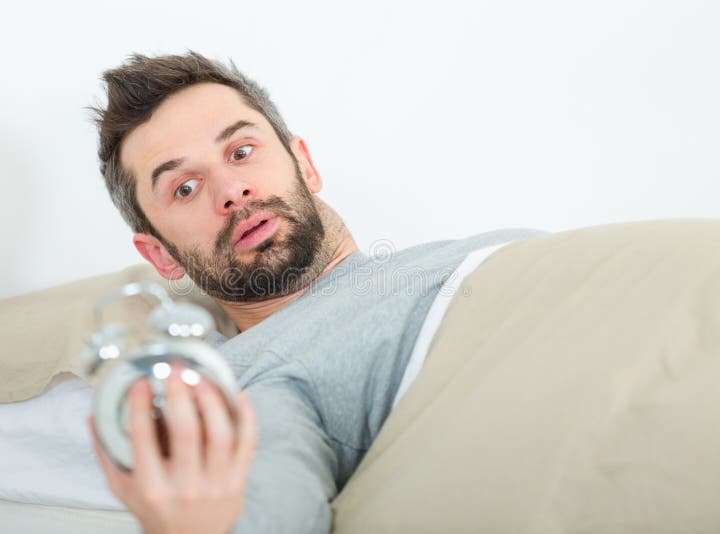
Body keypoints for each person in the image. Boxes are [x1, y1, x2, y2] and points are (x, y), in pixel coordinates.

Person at [88, 51, 546, 533]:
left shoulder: (460, 251)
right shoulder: (253, 381)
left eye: (241, 151)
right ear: (162, 256)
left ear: (304, 164)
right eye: (184, 187)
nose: (231, 190)